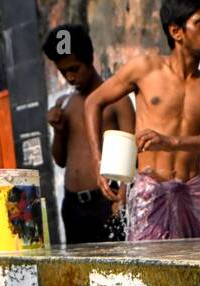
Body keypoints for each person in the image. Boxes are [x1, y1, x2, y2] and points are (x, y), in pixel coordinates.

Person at [84, 0, 200, 241]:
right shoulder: (145, 69)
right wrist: (97, 161)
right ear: (176, 31)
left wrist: (177, 146)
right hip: (149, 191)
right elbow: (94, 102)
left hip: (191, 192)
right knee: (149, 273)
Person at [43, 24, 134, 245]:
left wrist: (123, 193)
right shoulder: (64, 104)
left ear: (90, 59)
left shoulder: (115, 99)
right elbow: (60, 160)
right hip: (72, 204)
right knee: (80, 273)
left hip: (107, 199)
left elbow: (133, 148)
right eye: (64, 72)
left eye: (74, 68)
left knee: (114, 270)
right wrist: (58, 130)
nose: (70, 77)